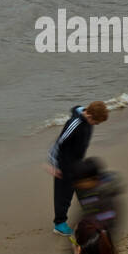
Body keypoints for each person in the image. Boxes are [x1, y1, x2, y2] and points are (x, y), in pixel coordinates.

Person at [47, 101, 109, 235]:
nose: (96, 125)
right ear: (90, 116)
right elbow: (58, 143)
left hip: (78, 163)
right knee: (63, 195)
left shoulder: (88, 121)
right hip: (64, 165)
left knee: (85, 190)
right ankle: (59, 224)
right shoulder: (74, 124)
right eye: (96, 123)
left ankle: (91, 219)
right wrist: (54, 165)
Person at [69, 157, 124, 239]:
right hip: (91, 229)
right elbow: (84, 210)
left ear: (93, 179)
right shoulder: (85, 190)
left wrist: (90, 223)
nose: (78, 185)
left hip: (105, 233)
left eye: (80, 182)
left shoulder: (105, 193)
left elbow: (110, 217)